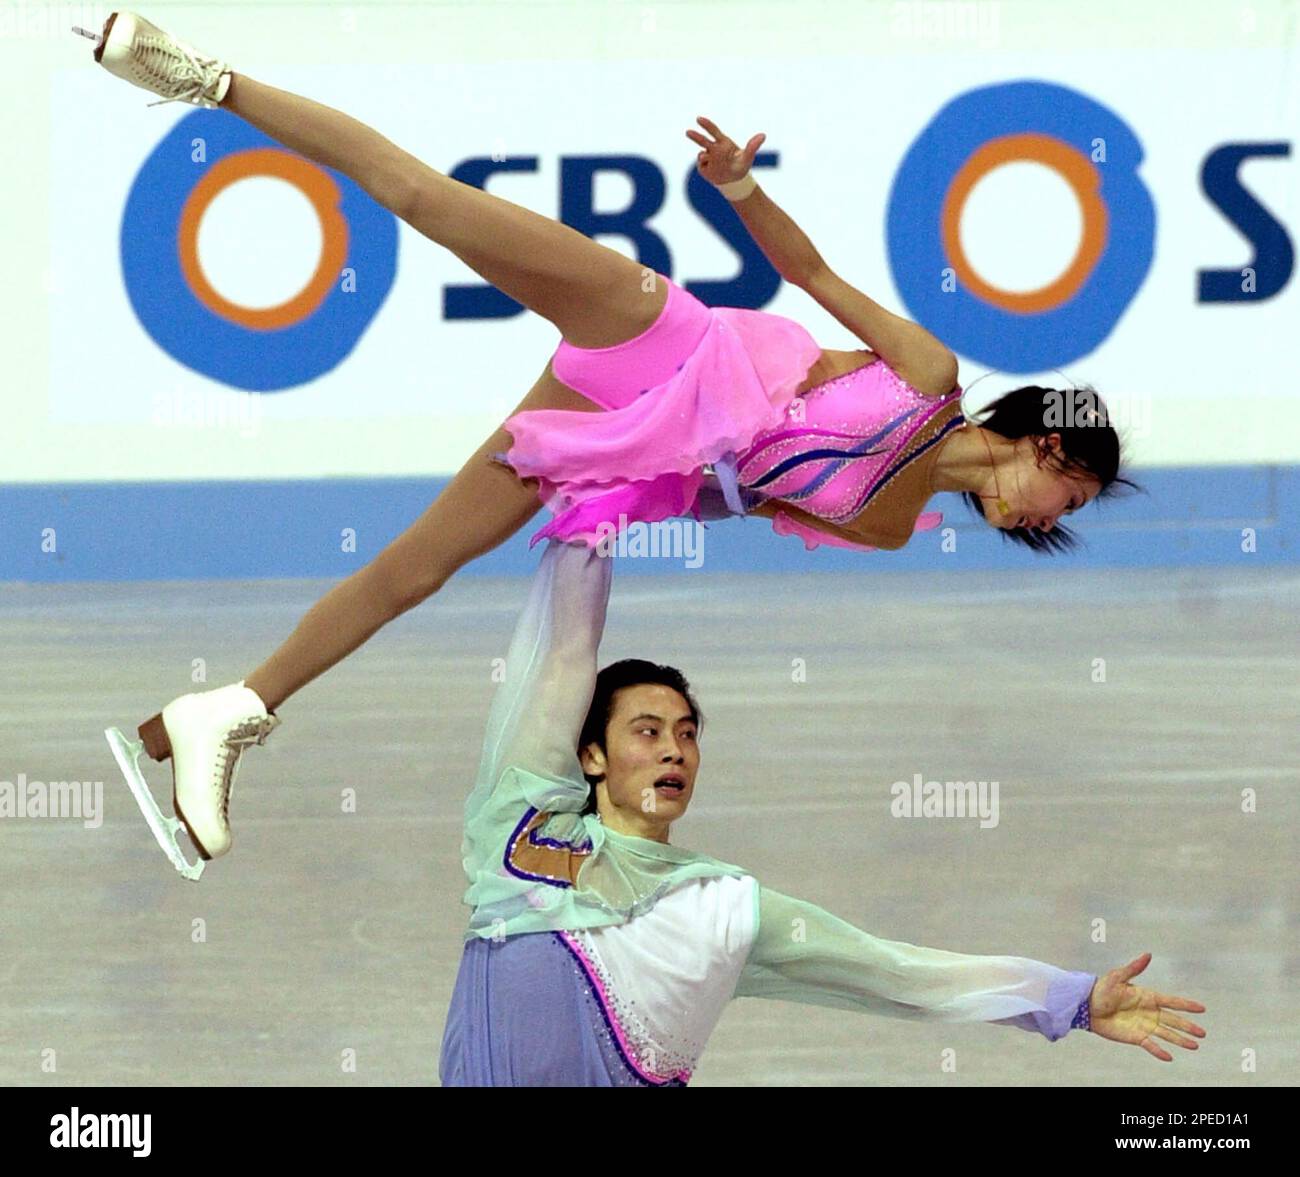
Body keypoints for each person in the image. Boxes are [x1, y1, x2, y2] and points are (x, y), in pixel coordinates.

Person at [86, 12, 1136, 866]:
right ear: (1052, 450)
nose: (1055, 521)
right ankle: (202, 77)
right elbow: (811, 275)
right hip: (656, 334)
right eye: (1074, 498)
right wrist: (739, 189)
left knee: (418, 566)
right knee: (430, 201)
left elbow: (736, 493)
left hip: (628, 431)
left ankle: (230, 708)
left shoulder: (890, 529)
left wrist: (616, 496)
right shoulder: (927, 375)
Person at [438, 537, 1204, 1085]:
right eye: (648, 731)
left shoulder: (722, 908)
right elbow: (567, 649)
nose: (674, 750)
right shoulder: (519, 830)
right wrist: (600, 500)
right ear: (592, 755)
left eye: (688, 734)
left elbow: (901, 973)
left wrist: (1072, 1000)